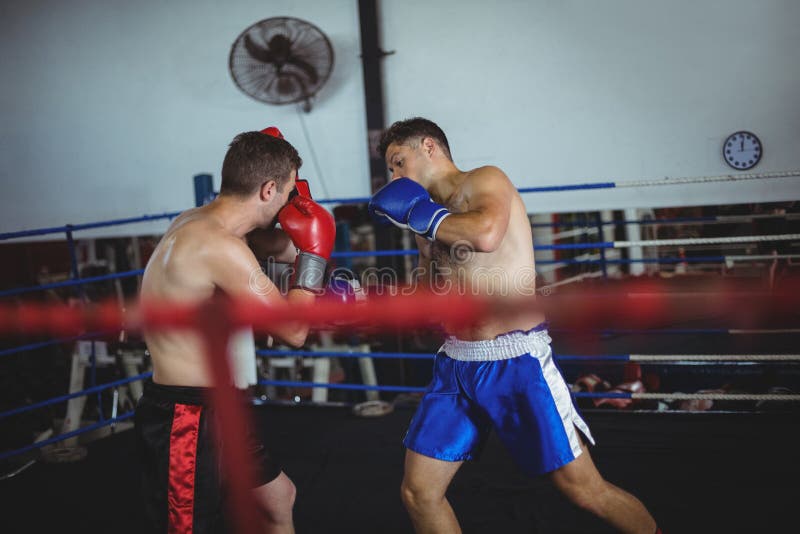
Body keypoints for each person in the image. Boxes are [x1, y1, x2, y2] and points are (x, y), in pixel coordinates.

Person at [369, 117, 661, 534]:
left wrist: (421, 214)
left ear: (429, 147)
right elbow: (430, 286)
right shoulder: (423, 221)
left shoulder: (483, 181)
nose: (395, 177)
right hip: (456, 363)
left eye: (399, 163)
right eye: (391, 171)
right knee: (419, 492)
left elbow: (486, 233)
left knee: (586, 491)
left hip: (516, 359)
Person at [135, 129, 336, 533]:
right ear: (267, 189)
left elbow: (281, 249)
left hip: (218, 408)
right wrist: (315, 257)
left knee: (277, 499)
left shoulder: (197, 221)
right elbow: (295, 330)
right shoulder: (218, 246)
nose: (291, 200)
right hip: (187, 415)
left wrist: (302, 232)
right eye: (288, 192)